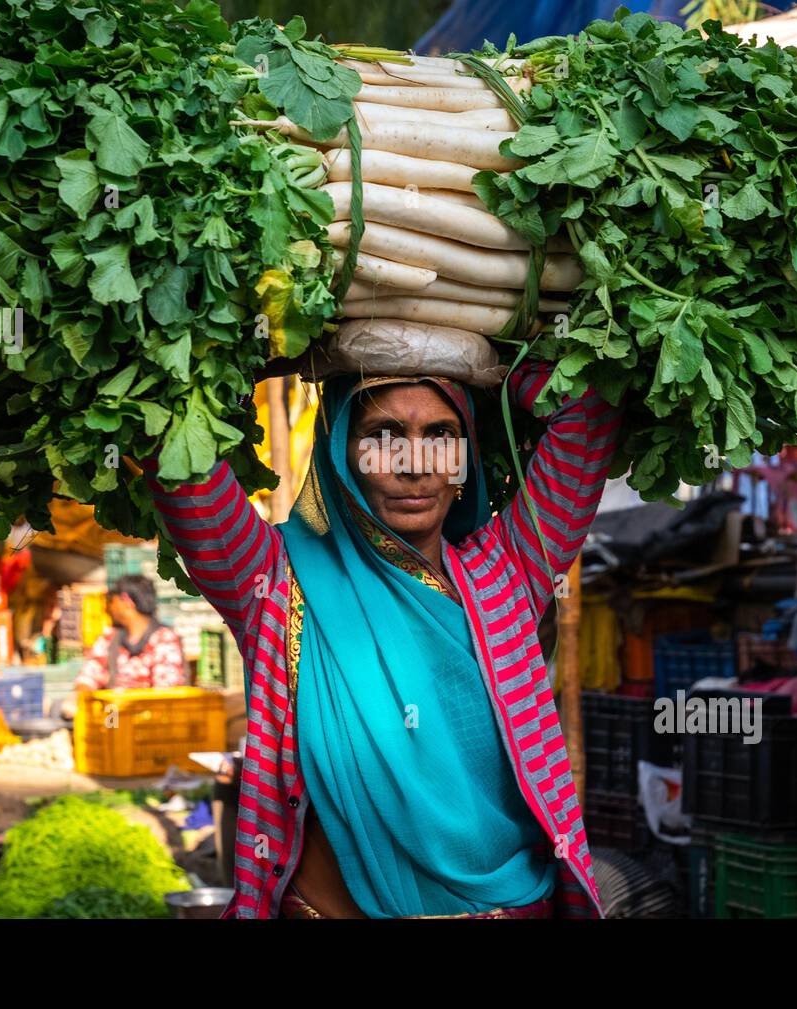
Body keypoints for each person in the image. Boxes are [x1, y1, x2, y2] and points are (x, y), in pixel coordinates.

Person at [146, 363, 621, 919]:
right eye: (382, 435)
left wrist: (485, 364)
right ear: (339, 451)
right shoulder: (272, 582)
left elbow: (586, 409)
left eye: (442, 435)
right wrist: (266, 345)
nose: (414, 464)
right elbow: (177, 440)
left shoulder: (509, 572)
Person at [61, 575, 187, 717]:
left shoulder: (164, 639)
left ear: (127, 602)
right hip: (114, 717)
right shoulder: (111, 637)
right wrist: (78, 696)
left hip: (152, 720)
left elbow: (167, 692)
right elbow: (90, 674)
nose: (110, 607)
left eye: (113, 601)